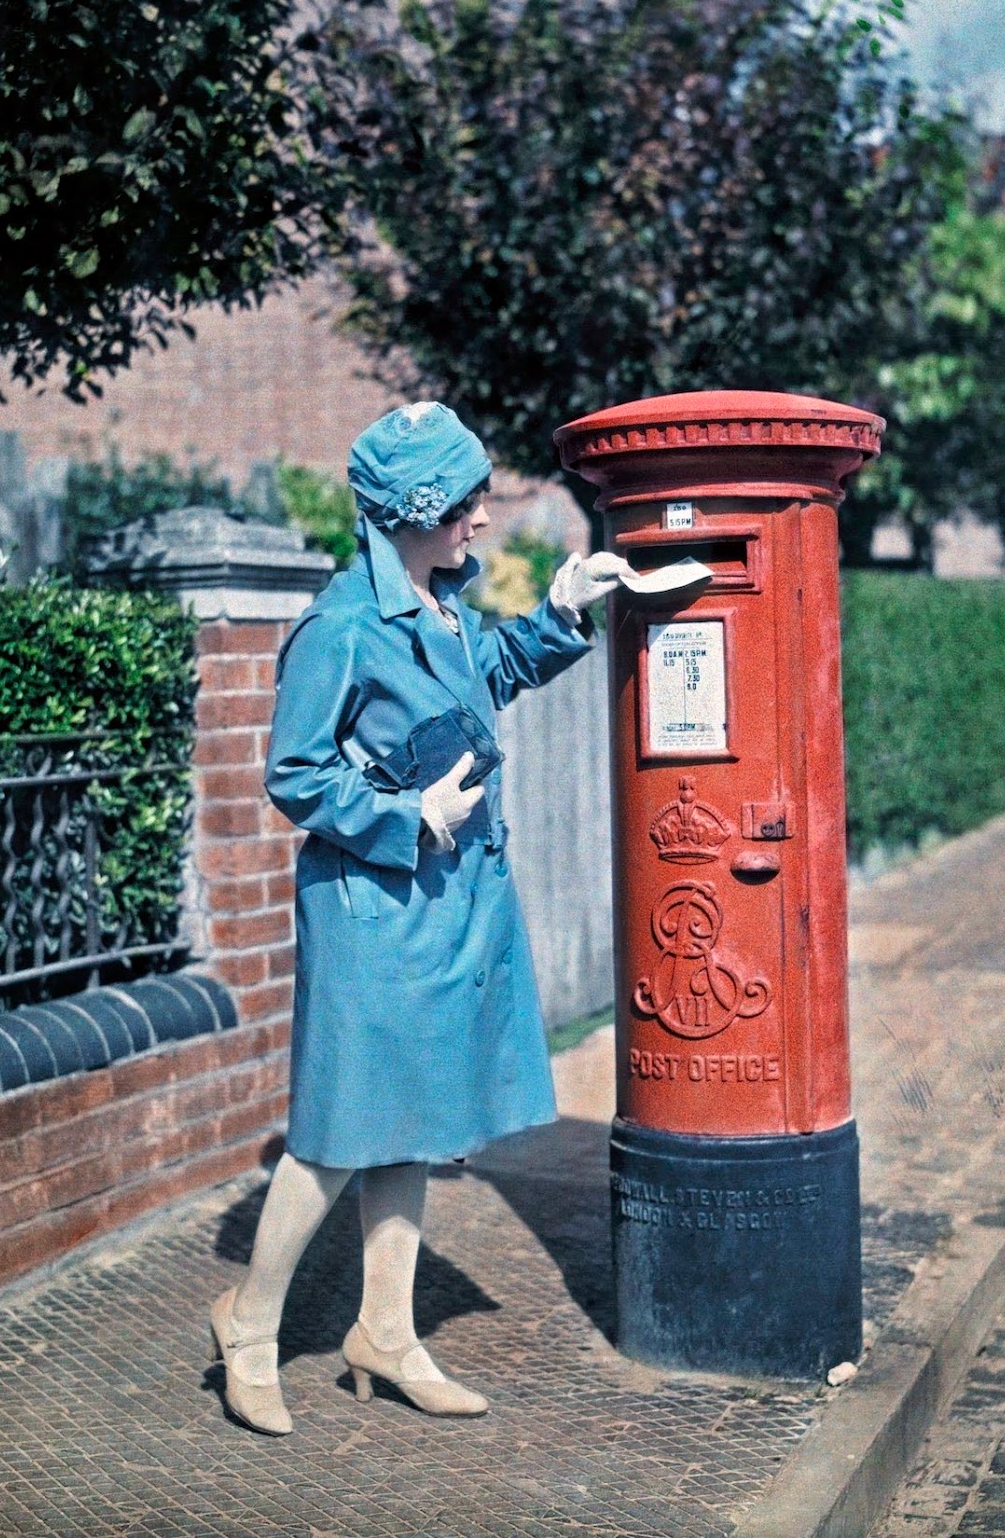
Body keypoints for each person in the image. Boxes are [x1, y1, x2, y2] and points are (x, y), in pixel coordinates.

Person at [209, 401, 631, 1433]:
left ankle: (385, 1333)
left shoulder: (438, 605)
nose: (482, 520)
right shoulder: (342, 625)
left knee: (413, 1119)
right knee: (338, 1129)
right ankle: (250, 1321)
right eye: (466, 502)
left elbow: (483, 679)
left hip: (444, 904)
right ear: (414, 510)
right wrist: (411, 816)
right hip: (372, 906)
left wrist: (565, 611)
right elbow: (295, 774)